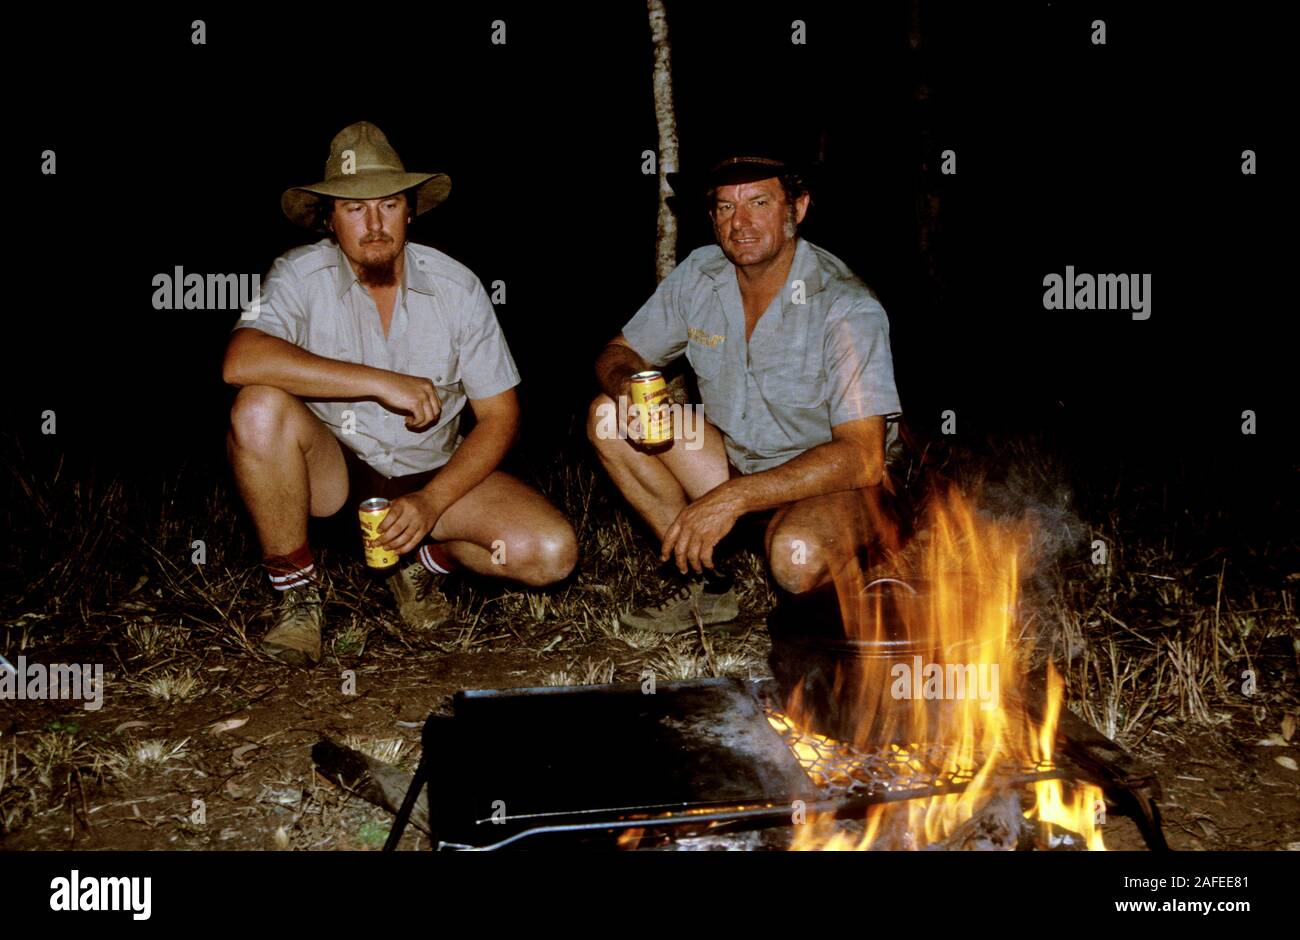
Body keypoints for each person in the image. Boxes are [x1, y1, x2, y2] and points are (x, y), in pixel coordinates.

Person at [224, 121, 576, 666]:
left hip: (428, 471)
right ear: (328, 219)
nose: (373, 224)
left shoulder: (458, 286)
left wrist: (432, 502)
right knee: (257, 407)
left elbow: (501, 416)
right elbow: (241, 359)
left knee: (549, 552)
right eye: (353, 208)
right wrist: (380, 381)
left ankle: (419, 565)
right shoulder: (295, 273)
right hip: (330, 477)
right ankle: (298, 596)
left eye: (388, 205)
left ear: (410, 210)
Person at [588, 150, 903, 633]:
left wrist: (734, 499)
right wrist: (627, 385)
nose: (741, 223)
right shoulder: (701, 274)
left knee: (794, 560)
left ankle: (863, 562)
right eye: (725, 207)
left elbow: (862, 456)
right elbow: (618, 351)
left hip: (839, 480)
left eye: (758, 202)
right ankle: (705, 582)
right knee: (607, 419)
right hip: (740, 459)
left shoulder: (844, 305)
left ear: (796, 209)